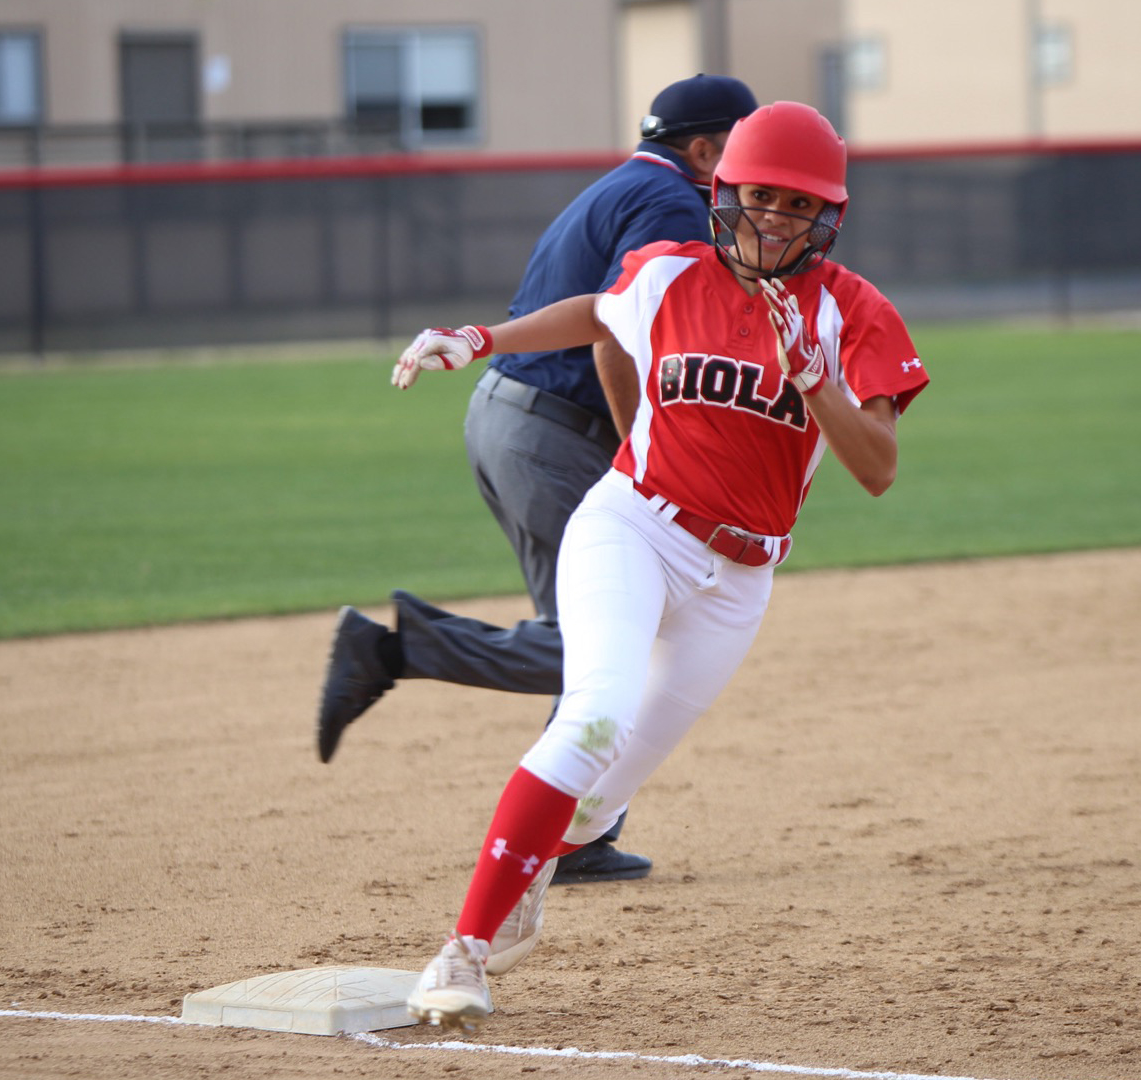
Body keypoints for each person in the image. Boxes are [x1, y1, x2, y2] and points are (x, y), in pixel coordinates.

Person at [388, 101, 930, 1032]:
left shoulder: (855, 312)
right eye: (760, 196)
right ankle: (463, 951)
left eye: (799, 206)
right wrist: (477, 338)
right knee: (593, 714)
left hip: (738, 583)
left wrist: (817, 381)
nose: (775, 219)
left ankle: (537, 865)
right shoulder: (670, 270)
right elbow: (597, 314)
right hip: (632, 526)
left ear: (827, 217)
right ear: (723, 192)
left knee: (597, 811)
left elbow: (877, 471)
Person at [314, 74, 759, 886]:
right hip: (554, 431)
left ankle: (580, 834)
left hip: (515, 418)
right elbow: (613, 331)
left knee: (601, 627)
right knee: (602, 642)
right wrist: (643, 451)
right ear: (703, 150)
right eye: (745, 146)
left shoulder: (628, 184)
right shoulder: (672, 206)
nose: (756, 171)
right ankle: (394, 649)